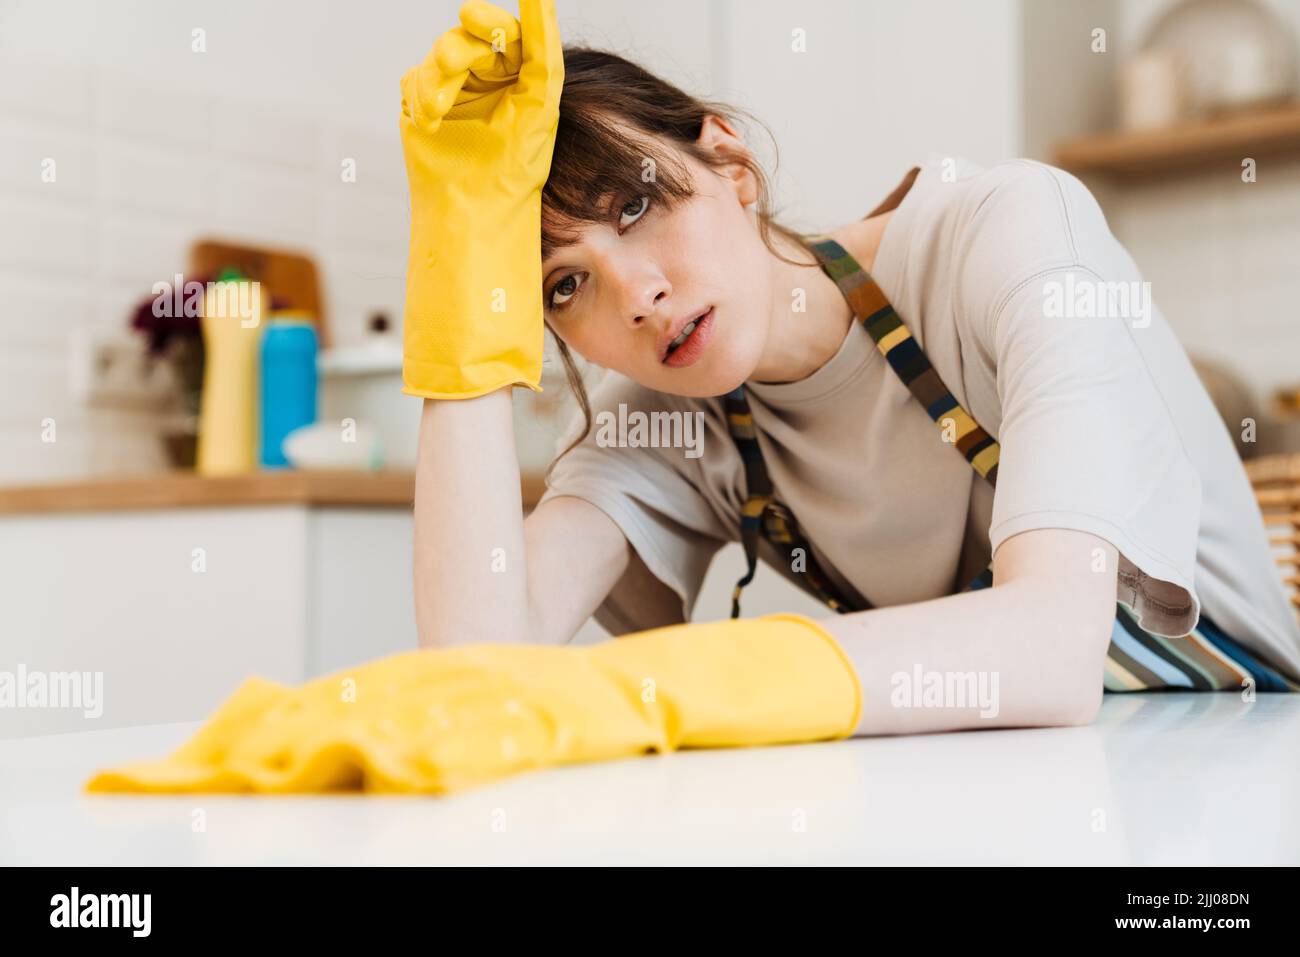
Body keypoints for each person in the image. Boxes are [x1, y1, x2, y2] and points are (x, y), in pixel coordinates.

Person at [405, 0, 1300, 745]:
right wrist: (460, 272)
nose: (634, 294)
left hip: (1244, 756)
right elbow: (478, 661)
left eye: (635, 206)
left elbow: (1054, 647)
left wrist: (702, 681)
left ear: (731, 162)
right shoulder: (658, 423)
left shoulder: (1011, 233)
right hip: (1016, 780)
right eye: (566, 286)